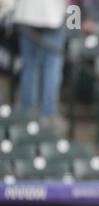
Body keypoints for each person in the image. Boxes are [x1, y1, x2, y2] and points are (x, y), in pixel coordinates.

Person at [13, 0, 67, 128]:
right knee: (50, 67)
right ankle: (47, 114)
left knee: (30, 66)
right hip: (51, 15)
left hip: (26, 14)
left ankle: (28, 112)